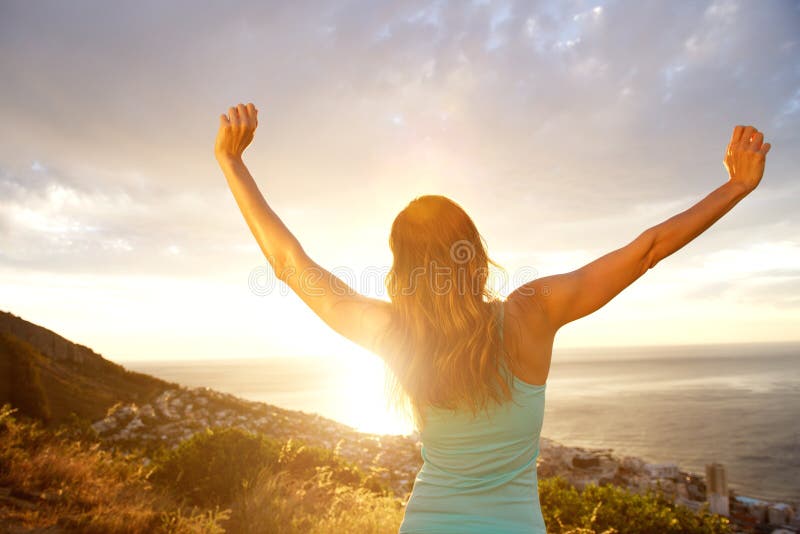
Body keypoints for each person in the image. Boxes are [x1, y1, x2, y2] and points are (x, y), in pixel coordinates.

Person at [214, 102, 771, 533]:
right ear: (475, 252)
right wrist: (737, 186)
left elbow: (289, 265)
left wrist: (231, 162)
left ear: (402, 269)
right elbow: (647, 249)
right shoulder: (533, 313)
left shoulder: (394, 335)